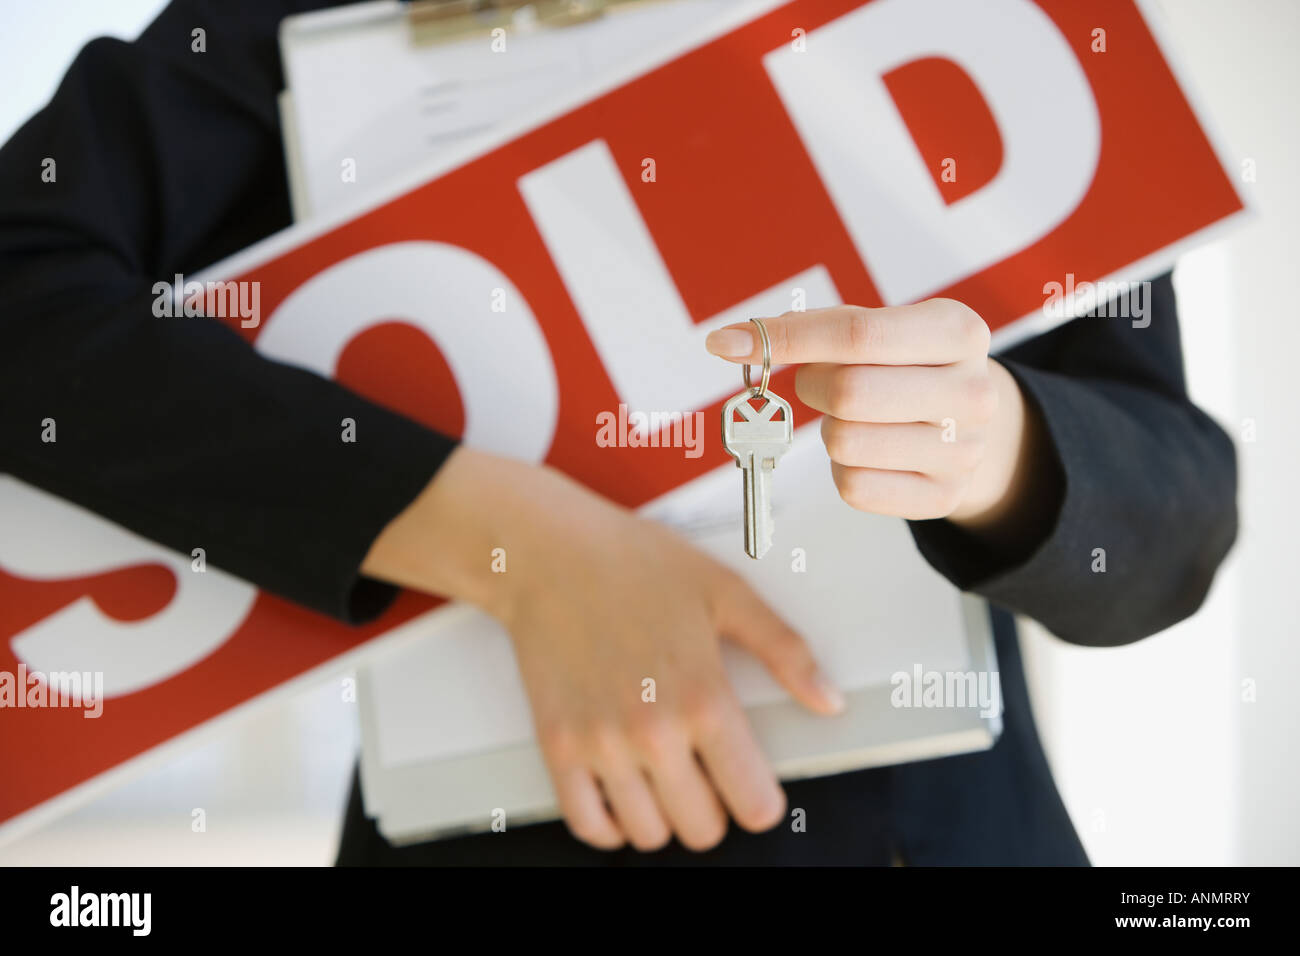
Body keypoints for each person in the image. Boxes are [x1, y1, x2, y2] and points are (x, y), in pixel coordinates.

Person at [0, 0, 1236, 866]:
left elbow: (1172, 527)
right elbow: (22, 278)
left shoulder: (981, 25)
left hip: (929, 829)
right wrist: (515, 543)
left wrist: (1001, 451)